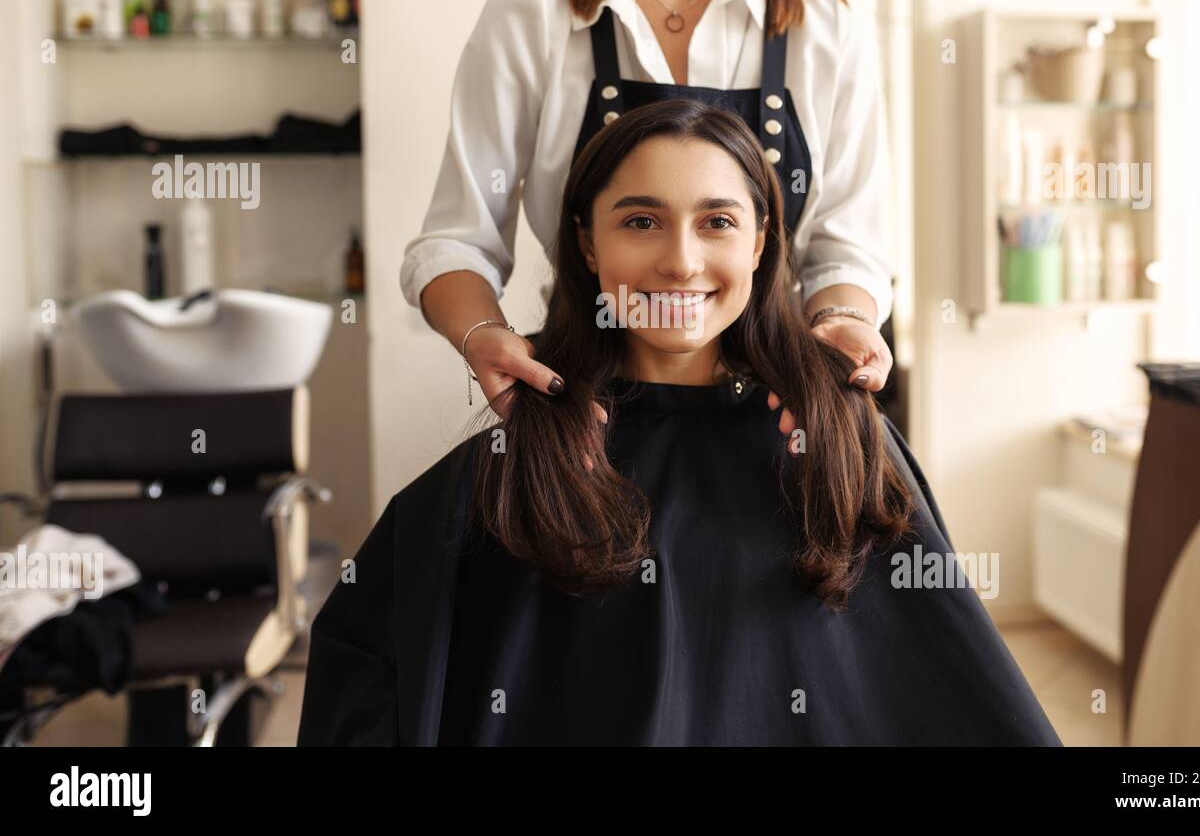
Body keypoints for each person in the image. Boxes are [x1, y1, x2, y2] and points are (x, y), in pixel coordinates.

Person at [298, 100, 1062, 746]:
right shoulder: (515, 462)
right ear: (588, 244)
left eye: (718, 221)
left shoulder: (835, 442)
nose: (681, 261)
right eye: (641, 221)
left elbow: (955, 692)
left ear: (761, 243)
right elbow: (365, 662)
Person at [401, 0, 899, 418]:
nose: (683, 265)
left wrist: (843, 316)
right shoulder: (529, 13)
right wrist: (483, 333)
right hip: (583, 415)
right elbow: (457, 242)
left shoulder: (827, 27)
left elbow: (846, 251)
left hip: (780, 415)